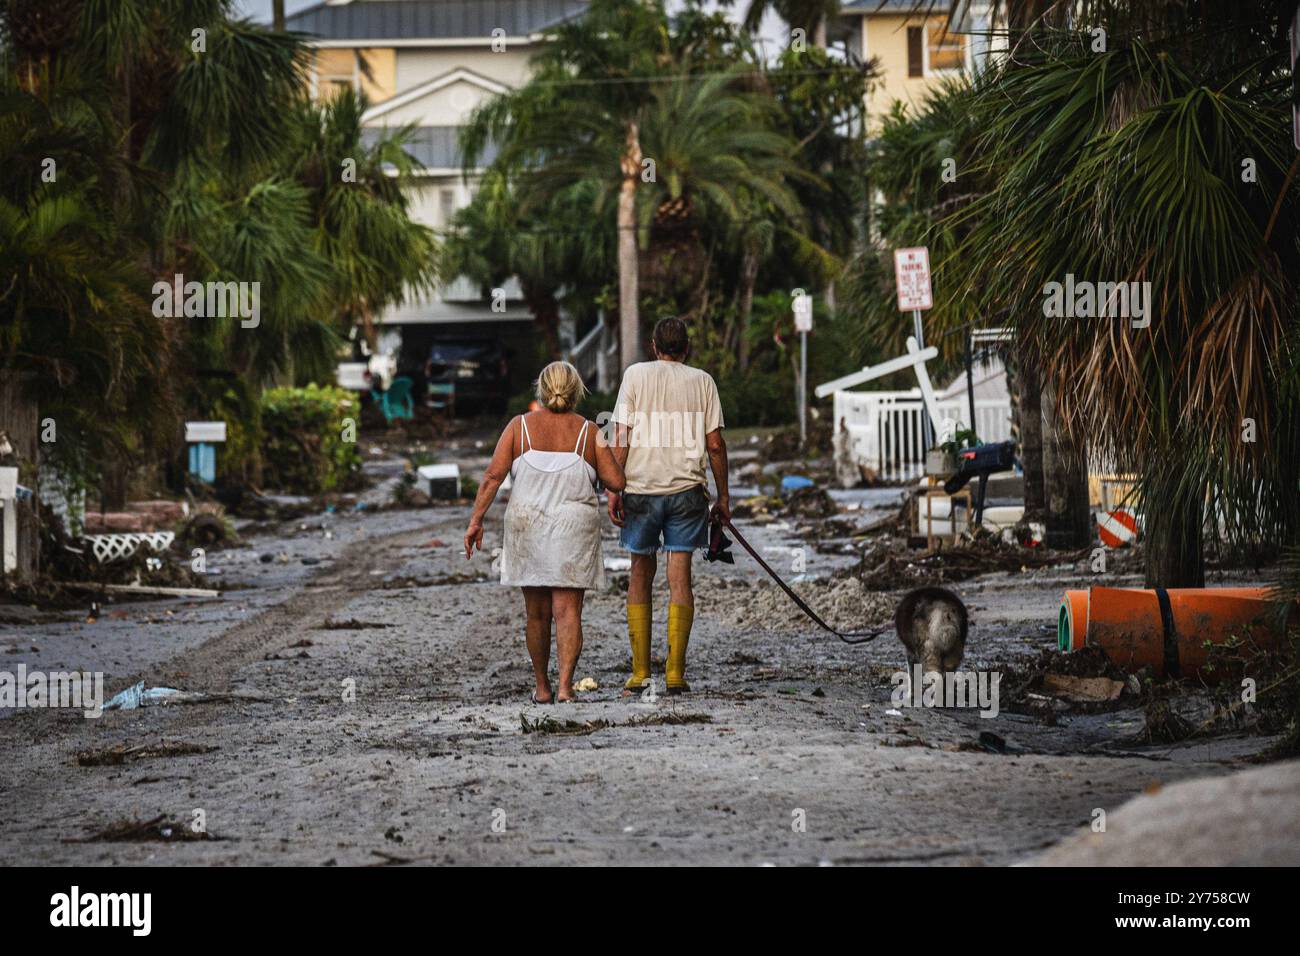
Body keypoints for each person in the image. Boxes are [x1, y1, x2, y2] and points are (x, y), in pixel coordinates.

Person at [464, 362, 624, 703]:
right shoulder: (588, 431)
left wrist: (475, 521)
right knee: (568, 613)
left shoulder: (518, 427)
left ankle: (542, 688)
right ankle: (566, 687)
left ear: (541, 388)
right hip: (573, 528)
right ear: (578, 391)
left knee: (536, 614)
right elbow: (615, 482)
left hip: (527, 525)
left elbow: (493, 476)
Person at [608, 317, 729, 695]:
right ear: (687, 348)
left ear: (653, 346)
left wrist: (614, 486)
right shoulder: (703, 382)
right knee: (681, 579)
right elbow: (714, 445)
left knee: (640, 576)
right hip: (687, 493)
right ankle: (675, 673)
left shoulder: (635, 376)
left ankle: (641, 673)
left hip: (640, 491)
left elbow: (621, 436)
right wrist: (723, 496)